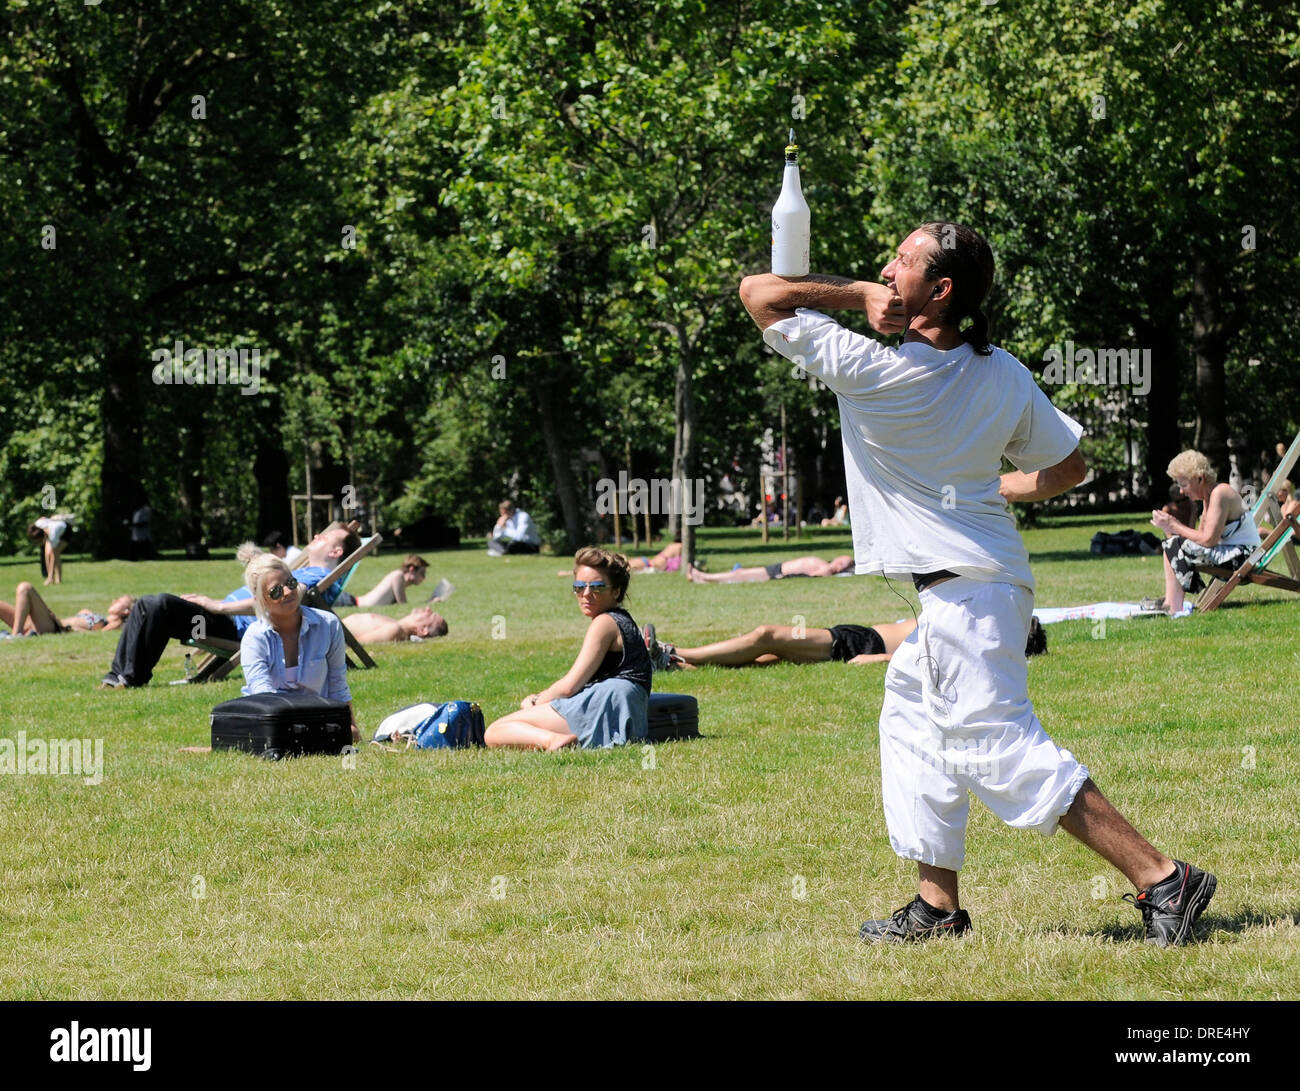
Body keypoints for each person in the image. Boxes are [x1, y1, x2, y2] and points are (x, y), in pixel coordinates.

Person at [740, 220, 1215, 946]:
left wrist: (856, 294)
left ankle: (1162, 876)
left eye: (902, 261)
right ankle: (937, 905)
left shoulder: (873, 369)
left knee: (996, 742)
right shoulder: (1002, 370)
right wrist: (996, 489)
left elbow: (759, 292)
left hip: (966, 593)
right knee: (910, 708)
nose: (887, 267)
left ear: (942, 288)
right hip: (983, 582)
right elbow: (1071, 467)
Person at [99, 521, 361, 689]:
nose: (316, 535)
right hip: (222, 616)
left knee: (157, 605)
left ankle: (128, 678)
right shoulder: (300, 570)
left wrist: (216, 606)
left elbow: (284, 599)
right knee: (151, 605)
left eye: (324, 538)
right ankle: (118, 676)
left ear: (336, 552)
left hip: (232, 624)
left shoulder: (314, 577)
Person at [485, 546, 650, 750]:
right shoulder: (621, 620)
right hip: (626, 709)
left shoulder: (604, 623)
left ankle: (552, 741)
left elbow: (569, 686)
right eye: (579, 587)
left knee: (495, 731)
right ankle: (552, 738)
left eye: (597, 587)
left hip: (607, 704)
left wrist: (535, 702)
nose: (586, 594)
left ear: (616, 591)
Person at [239, 552, 360, 743]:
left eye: (291, 583)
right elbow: (263, 696)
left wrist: (350, 725)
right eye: (276, 591)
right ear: (260, 599)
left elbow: (338, 683)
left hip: (318, 719)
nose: (288, 592)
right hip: (271, 722)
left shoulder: (328, 624)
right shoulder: (254, 638)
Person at [644, 616, 1047, 670]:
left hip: (856, 643)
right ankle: (687, 665)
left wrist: (877, 658)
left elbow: (918, 656)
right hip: (856, 637)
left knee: (766, 636)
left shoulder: (970, 644)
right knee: (771, 655)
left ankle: (673, 653)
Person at [1150, 450, 1260, 615]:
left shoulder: (1221, 493)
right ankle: (1171, 603)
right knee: (1172, 544)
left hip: (1245, 559)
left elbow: (1209, 540)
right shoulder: (1208, 499)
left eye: (1184, 484)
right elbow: (1199, 538)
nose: (1181, 491)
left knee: (1174, 544)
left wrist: (1175, 526)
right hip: (1235, 555)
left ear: (1200, 478)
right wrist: (1170, 528)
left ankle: (1172, 606)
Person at [0, 583, 133, 636]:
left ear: (127, 611)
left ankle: (15, 636)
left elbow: (94, 635)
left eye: (120, 601)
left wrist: (70, 629)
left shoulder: (112, 624)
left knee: (25, 588)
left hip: (55, 628)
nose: (114, 600)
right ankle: (17, 633)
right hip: (50, 622)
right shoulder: (95, 615)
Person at [686, 554, 853, 583]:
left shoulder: (826, 570)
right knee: (740, 573)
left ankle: (704, 577)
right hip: (777, 568)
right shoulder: (825, 563)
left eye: (843, 565)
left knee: (740, 574)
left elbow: (813, 576)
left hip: (778, 573)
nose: (839, 565)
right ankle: (702, 577)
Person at [346, 554, 430, 606]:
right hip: (350, 602)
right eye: (422, 573)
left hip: (352, 602)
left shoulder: (400, 577)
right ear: (411, 569)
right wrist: (429, 602)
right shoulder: (398, 576)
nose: (423, 577)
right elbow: (403, 605)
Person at [342, 607, 448, 645]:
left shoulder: (395, 629)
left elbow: (355, 645)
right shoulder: (394, 624)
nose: (428, 608)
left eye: (430, 614)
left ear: (422, 630)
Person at [28, 515, 73, 584]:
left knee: (55, 554)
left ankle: (58, 579)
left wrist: (50, 577)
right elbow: (43, 518)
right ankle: (51, 579)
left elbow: (53, 558)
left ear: (43, 536)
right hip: (53, 529)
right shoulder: (38, 525)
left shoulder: (53, 534)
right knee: (47, 554)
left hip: (66, 531)